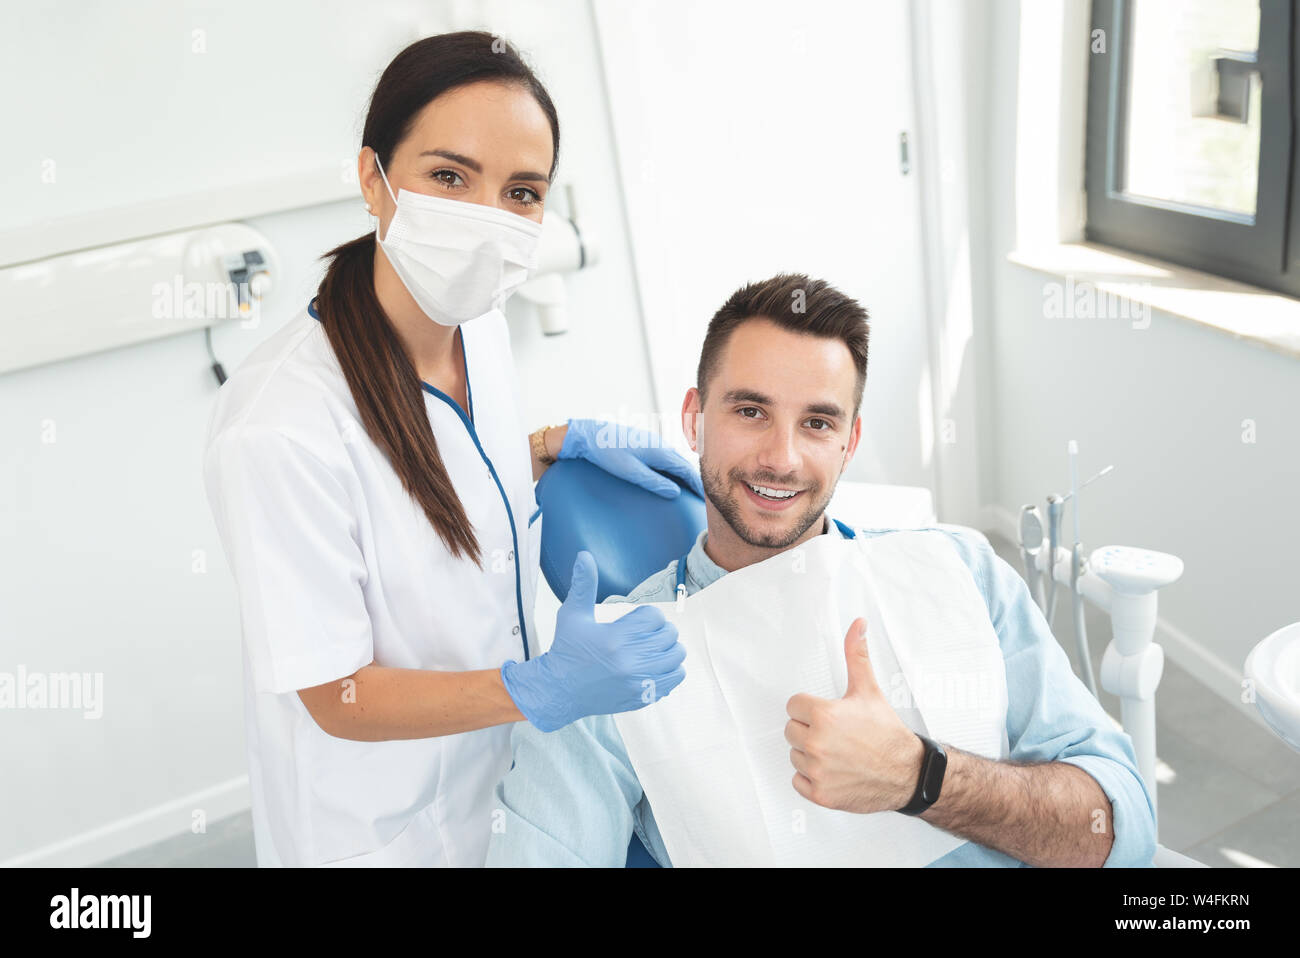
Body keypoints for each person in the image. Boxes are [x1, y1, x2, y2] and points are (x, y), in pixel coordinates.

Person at [203, 32, 694, 867]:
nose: (486, 219)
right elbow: (336, 694)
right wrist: (535, 689)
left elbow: (443, 473)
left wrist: (553, 451)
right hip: (384, 829)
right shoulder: (278, 426)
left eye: (522, 192)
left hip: (510, 792)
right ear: (374, 179)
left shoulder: (481, 326)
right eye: (449, 176)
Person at [485, 272, 1158, 867]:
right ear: (694, 420)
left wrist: (921, 779)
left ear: (849, 443)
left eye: (816, 423)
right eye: (750, 411)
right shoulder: (610, 661)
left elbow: (1120, 832)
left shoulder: (959, 567)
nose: (780, 458)